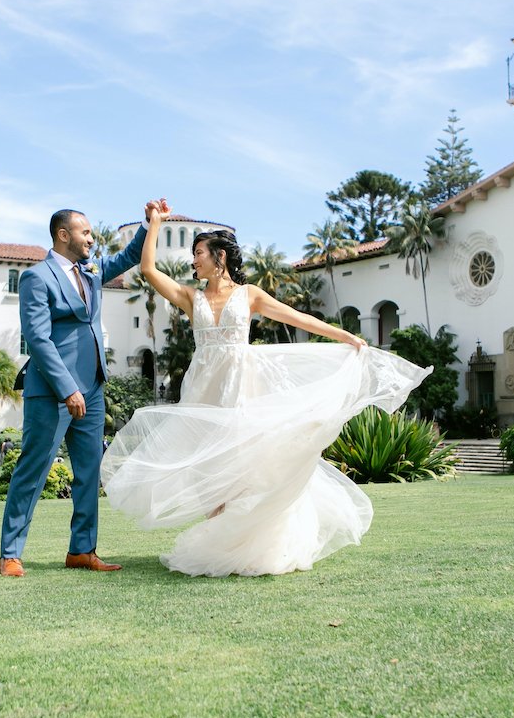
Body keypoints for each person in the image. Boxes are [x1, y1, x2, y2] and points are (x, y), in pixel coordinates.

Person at [101, 200, 430, 577]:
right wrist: (154, 224)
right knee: (209, 466)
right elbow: (147, 268)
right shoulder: (192, 298)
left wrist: (343, 336)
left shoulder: (250, 294)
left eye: (199, 254)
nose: (194, 261)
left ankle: (244, 543)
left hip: (242, 385)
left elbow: (296, 317)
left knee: (243, 465)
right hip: (204, 388)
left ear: (218, 257)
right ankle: (217, 543)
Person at [0, 201, 163, 577]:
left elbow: (132, 255)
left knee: (89, 473)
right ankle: (10, 553)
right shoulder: (36, 278)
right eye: (85, 232)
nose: (92, 238)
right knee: (33, 470)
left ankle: (82, 551)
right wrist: (67, 388)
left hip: (92, 389)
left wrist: (150, 222)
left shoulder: (92, 271)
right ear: (63, 235)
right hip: (52, 392)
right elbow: (38, 339)